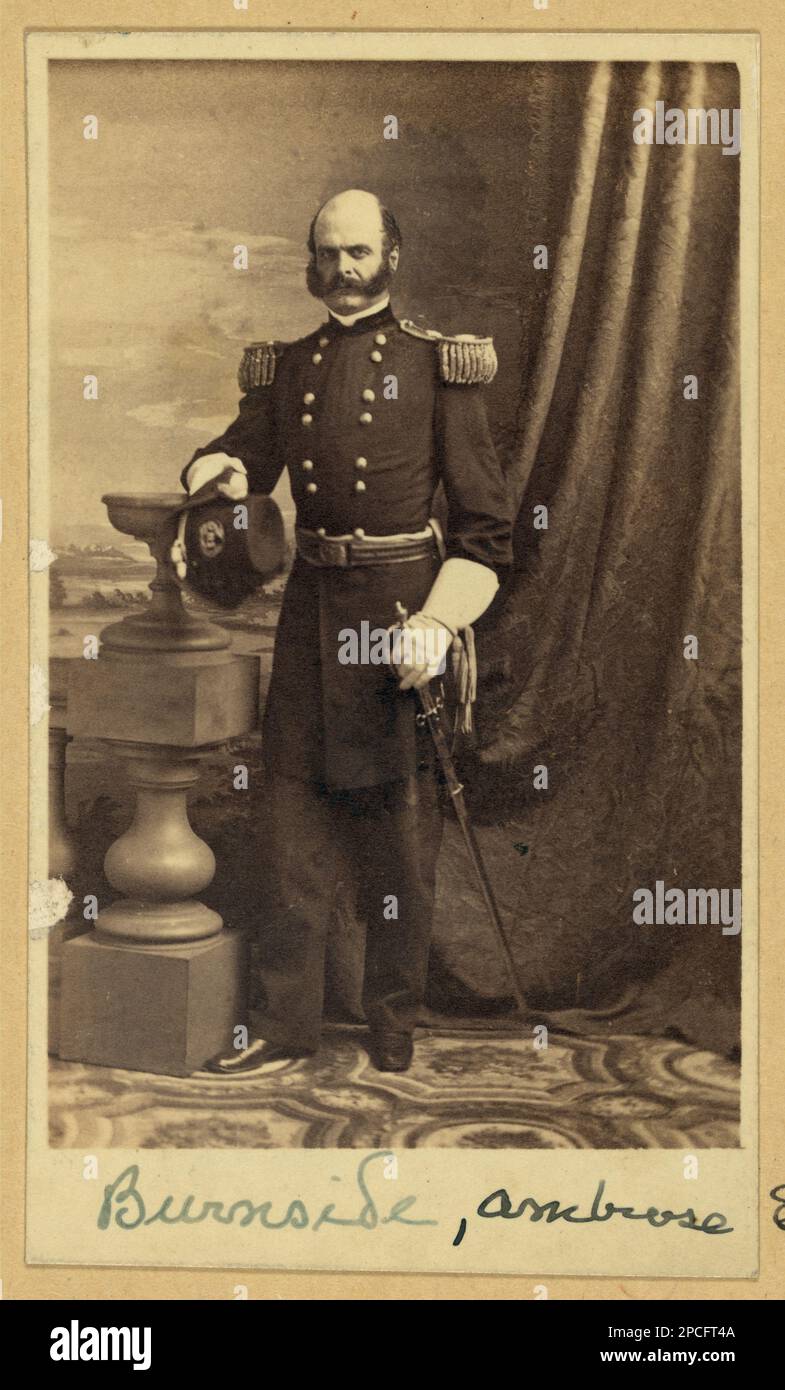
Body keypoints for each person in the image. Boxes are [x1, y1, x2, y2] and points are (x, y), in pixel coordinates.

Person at [179, 188, 512, 1073]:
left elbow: (486, 527)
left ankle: (391, 1020)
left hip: (403, 612)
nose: (341, 270)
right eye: (327, 253)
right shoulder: (286, 367)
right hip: (310, 615)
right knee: (289, 830)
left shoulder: (440, 366)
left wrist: (439, 621)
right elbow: (246, 454)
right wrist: (216, 468)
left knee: (398, 838)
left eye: (358, 252)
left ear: (392, 256)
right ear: (309, 261)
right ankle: (283, 1026)